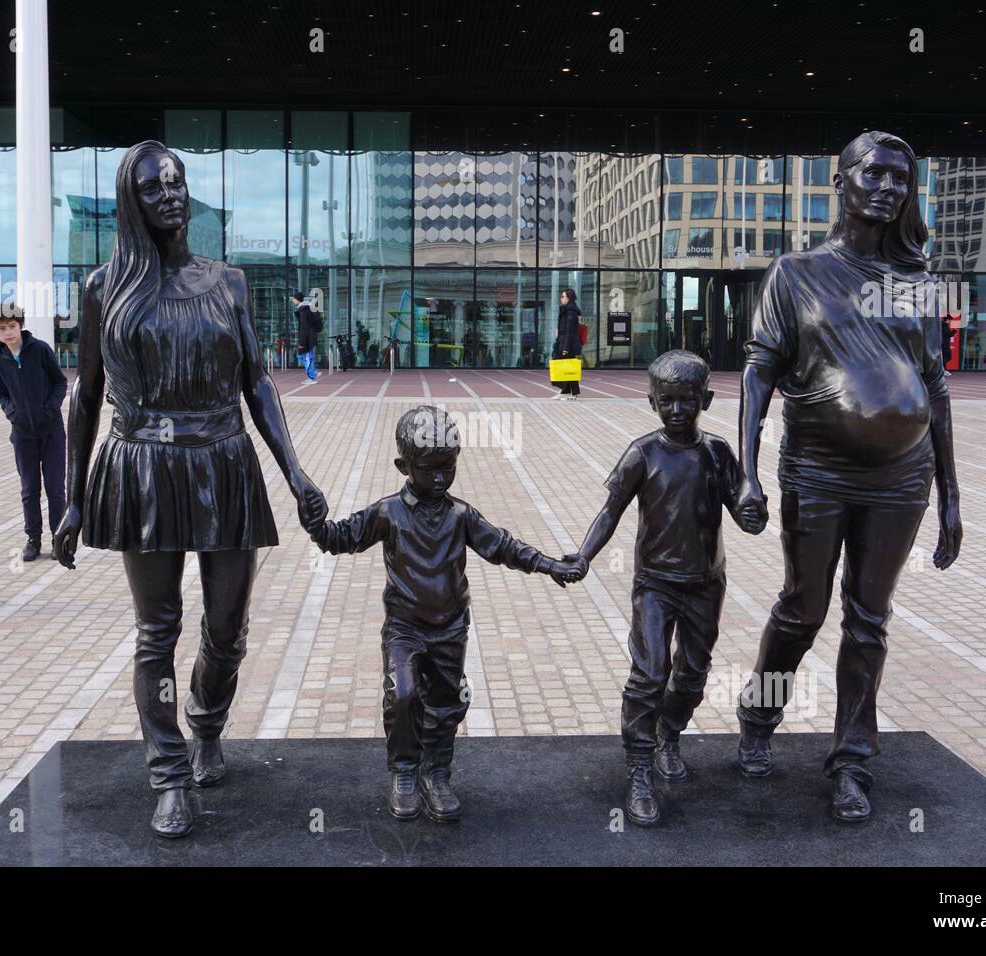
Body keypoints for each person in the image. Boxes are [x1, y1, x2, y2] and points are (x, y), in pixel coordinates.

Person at [52, 142, 328, 838]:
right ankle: (168, 774)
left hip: (224, 462)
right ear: (132, 201)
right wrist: (72, 495)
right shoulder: (104, 287)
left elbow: (257, 382)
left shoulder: (227, 282)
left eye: (177, 183)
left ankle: (207, 724)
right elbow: (84, 397)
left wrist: (295, 473)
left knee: (227, 630)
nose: (170, 195)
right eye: (153, 187)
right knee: (157, 633)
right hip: (143, 465)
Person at [732, 131, 961, 822]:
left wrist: (952, 496)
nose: (890, 188)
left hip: (901, 479)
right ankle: (760, 713)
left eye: (902, 178)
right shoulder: (795, 273)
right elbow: (758, 371)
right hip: (818, 471)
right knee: (802, 609)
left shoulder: (918, 283)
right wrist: (746, 473)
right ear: (842, 181)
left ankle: (852, 761)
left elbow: (936, 388)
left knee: (869, 620)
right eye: (877, 173)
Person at [310, 405, 578, 823]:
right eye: (429, 468)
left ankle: (437, 773)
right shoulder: (388, 513)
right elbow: (341, 536)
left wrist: (548, 564)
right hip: (404, 628)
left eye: (448, 468)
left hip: (451, 628)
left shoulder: (460, 515)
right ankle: (403, 770)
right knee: (401, 695)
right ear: (404, 465)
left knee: (447, 702)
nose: (439, 478)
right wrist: (315, 523)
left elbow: (504, 546)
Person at [565, 351, 761, 826]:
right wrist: (583, 555)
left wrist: (755, 508)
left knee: (692, 674)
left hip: (704, 585)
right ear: (652, 401)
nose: (677, 411)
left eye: (687, 401)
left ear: (706, 400)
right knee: (649, 674)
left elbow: (743, 511)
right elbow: (610, 511)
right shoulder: (642, 453)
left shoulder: (717, 453)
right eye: (667, 401)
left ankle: (669, 732)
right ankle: (638, 767)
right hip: (654, 584)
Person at [0, 304, 67, 562]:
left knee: (55, 488)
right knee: (29, 490)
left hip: (51, 432)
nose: (9, 332)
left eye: (12, 326)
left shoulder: (40, 349)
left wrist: (50, 409)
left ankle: (59, 539)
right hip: (22, 435)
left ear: (20, 325)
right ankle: (33, 540)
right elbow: (1, 393)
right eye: (2, 329)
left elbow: (60, 382)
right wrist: (12, 414)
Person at [552, 288, 583, 400]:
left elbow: (570, 332)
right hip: (563, 343)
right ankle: (565, 391)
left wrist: (565, 348)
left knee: (570, 370)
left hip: (568, 345)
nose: (561, 298)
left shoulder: (570, 313)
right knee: (565, 369)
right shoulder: (566, 311)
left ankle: (574, 394)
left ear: (568, 298)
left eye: (563, 296)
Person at [293, 289, 319, 384]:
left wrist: (302, 342)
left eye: (294, 298)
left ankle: (311, 377)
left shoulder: (304, 311)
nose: (293, 300)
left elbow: (304, 328)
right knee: (303, 356)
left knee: (306, 356)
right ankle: (313, 372)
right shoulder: (305, 309)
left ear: (298, 299)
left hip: (307, 339)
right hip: (309, 337)